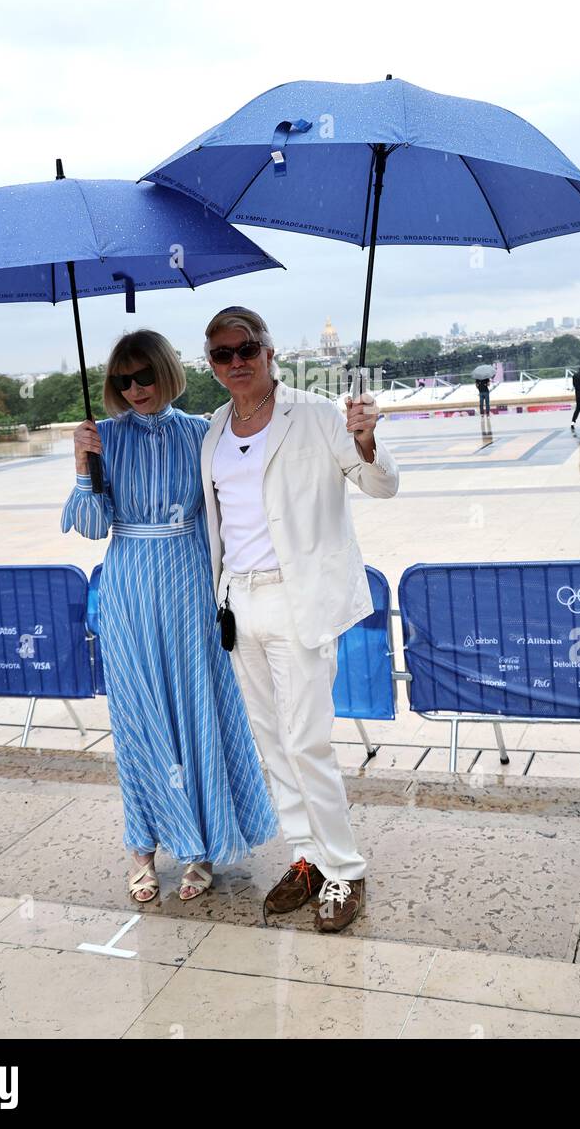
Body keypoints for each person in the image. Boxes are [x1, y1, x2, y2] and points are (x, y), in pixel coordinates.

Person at [199, 306, 399, 933]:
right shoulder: (212, 429)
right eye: (221, 354)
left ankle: (345, 869)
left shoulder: (315, 414)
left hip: (297, 596)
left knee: (307, 739)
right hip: (238, 599)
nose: (235, 363)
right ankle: (305, 856)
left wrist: (366, 438)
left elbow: (379, 486)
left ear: (269, 351)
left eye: (246, 349)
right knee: (271, 741)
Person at [62, 329, 278, 906]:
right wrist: (84, 466)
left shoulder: (201, 434)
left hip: (189, 586)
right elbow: (89, 525)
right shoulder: (102, 439)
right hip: (130, 588)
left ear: (167, 372)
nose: (134, 389)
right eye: (122, 381)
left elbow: (235, 507)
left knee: (194, 711)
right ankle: (142, 849)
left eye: (144, 376)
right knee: (138, 720)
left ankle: (199, 846)